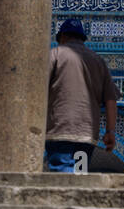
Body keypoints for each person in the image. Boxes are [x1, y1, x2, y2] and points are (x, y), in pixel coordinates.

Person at [44, 18, 119, 172]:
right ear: (82, 39)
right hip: (86, 136)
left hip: (60, 131)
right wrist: (110, 132)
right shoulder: (98, 61)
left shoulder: (55, 54)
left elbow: (37, 89)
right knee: (79, 174)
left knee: (62, 174)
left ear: (62, 37)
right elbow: (111, 100)